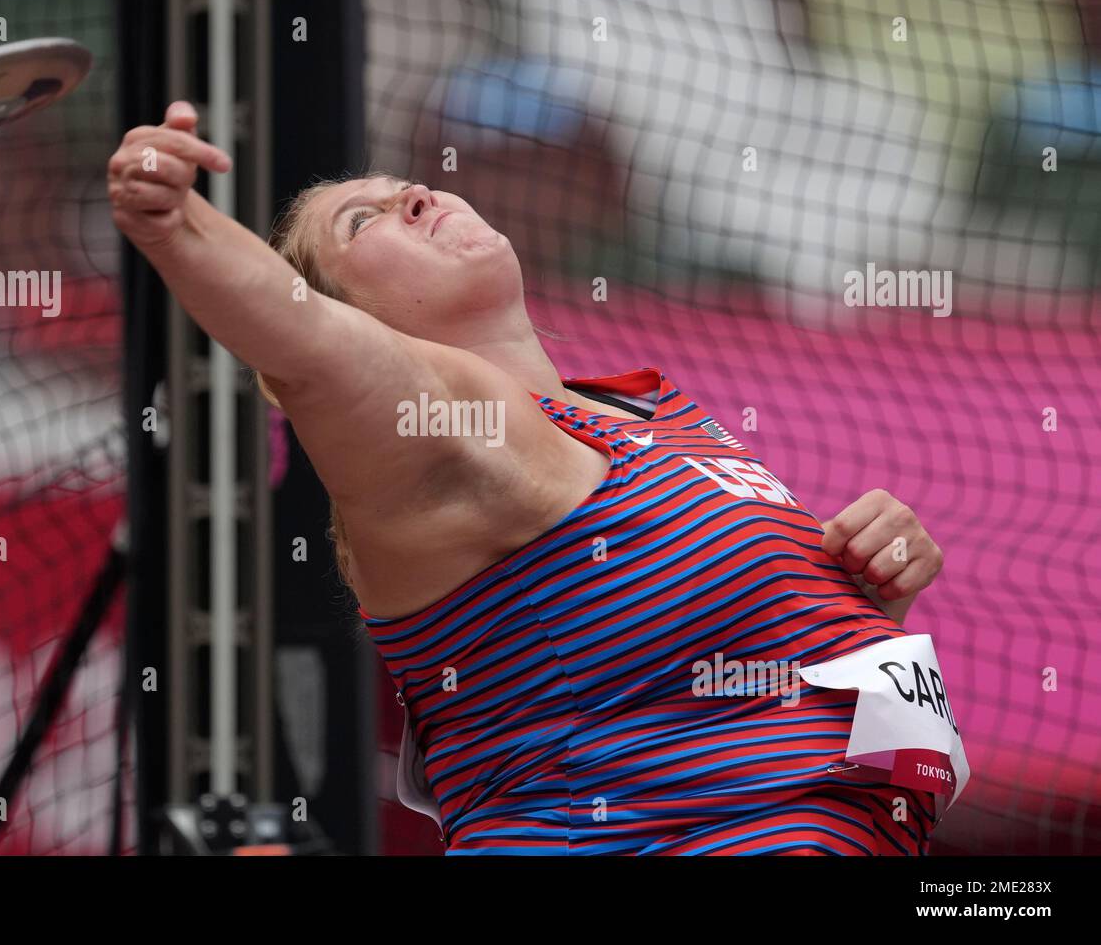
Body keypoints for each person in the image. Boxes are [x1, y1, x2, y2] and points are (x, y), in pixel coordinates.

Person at [109, 101, 950, 855]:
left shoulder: (651, 413)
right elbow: (311, 355)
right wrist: (175, 226)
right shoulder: (455, 434)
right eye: (362, 223)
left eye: (409, 186)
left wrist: (869, 598)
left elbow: (728, 671)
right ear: (347, 313)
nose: (417, 197)